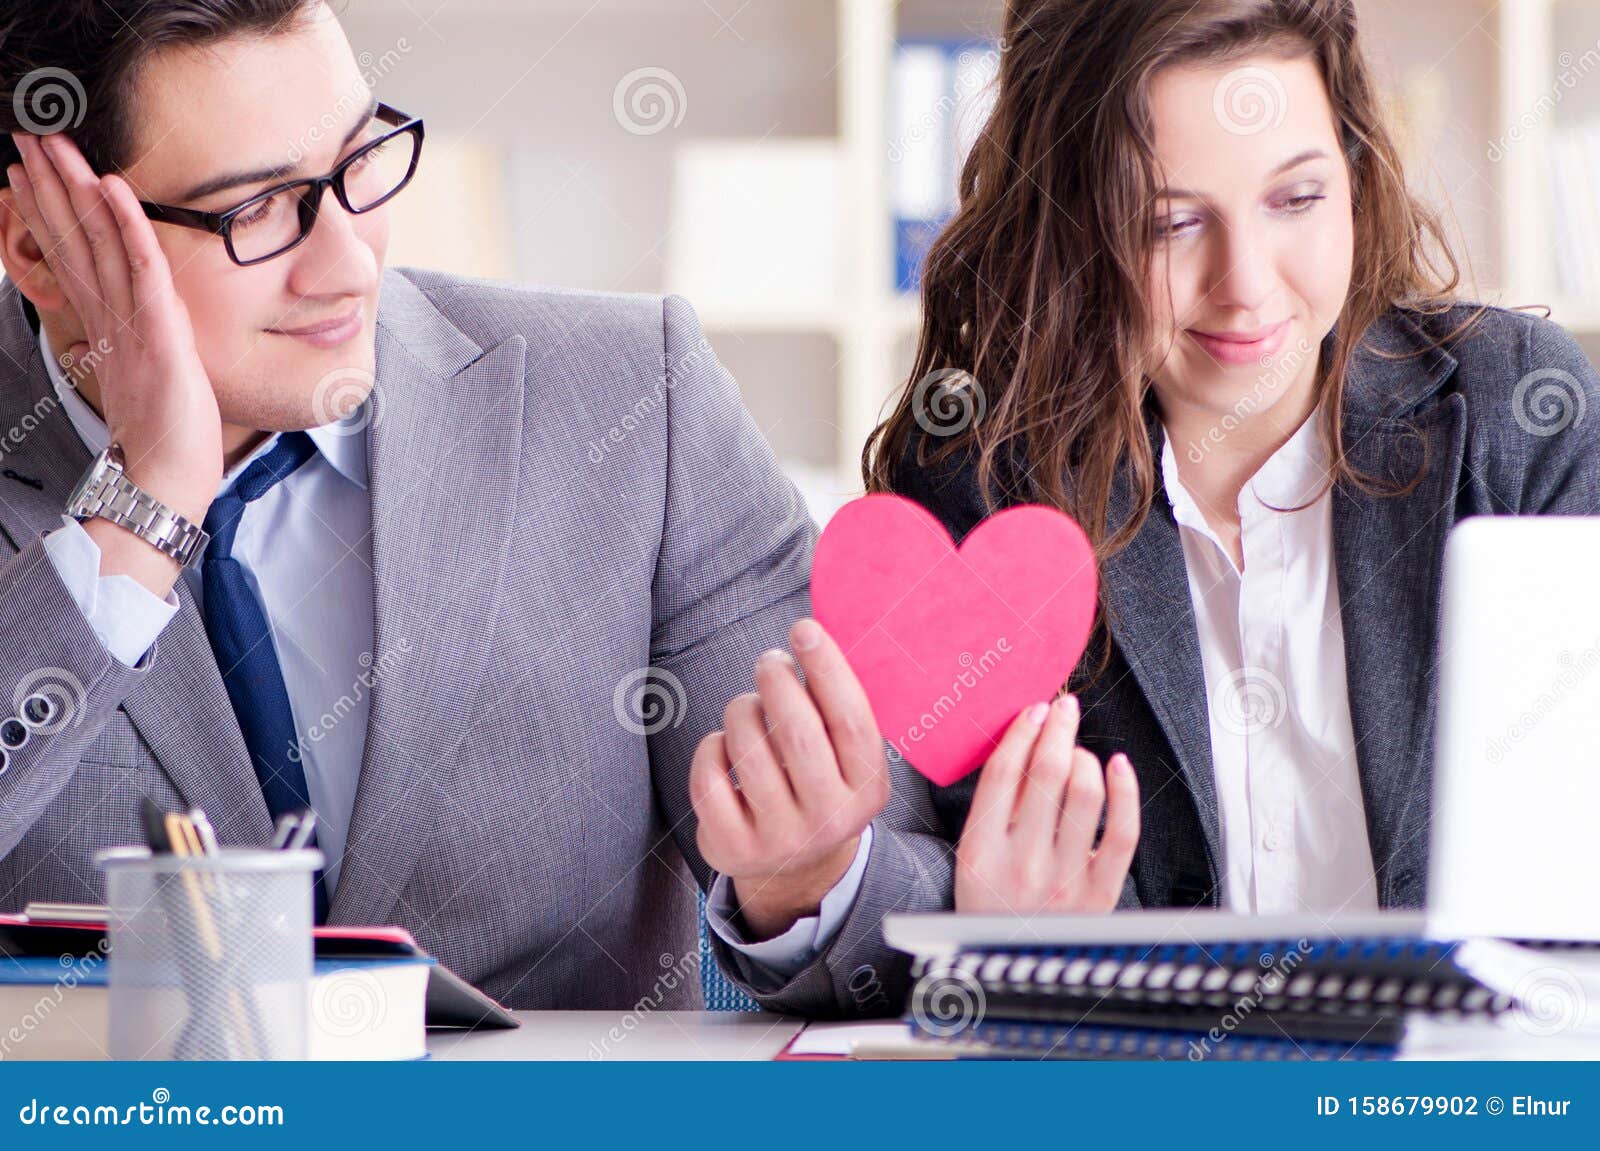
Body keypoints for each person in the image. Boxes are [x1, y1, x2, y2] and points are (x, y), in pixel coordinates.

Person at [0, 0, 942, 1015]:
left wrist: (804, 885)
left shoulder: (634, 403)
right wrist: (139, 509)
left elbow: (914, 916)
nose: (350, 264)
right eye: (256, 210)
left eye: (360, 162)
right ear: (42, 252)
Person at [700, 0, 1600, 1013]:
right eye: (1171, 221)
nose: (1246, 285)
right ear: (1074, 221)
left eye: (1295, 198)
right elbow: (907, 865)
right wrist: (819, 888)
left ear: (1351, 173)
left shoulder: (1513, 415)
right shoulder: (983, 486)